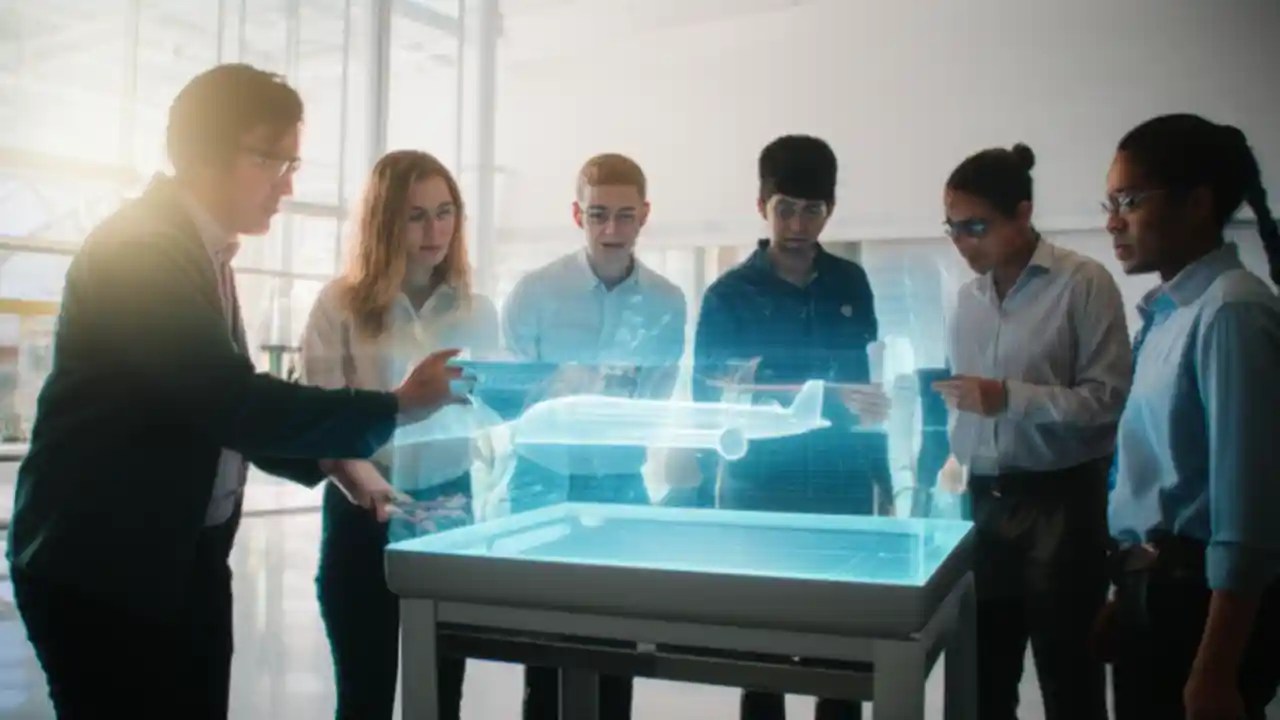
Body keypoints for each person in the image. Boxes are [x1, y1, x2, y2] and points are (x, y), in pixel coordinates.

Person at [4, 64, 464, 719]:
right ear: (202, 154)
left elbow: (214, 412)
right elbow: (228, 400)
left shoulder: (202, 251)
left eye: (291, 163)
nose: (287, 184)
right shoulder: (142, 251)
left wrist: (339, 466)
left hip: (176, 558)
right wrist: (396, 405)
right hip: (107, 564)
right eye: (270, 160)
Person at [691, 134, 891, 720]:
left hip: (841, 486)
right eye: (785, 209)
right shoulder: (729, 294)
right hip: (758, 488)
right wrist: (817, 392)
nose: (798, 225)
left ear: (830, 211)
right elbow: (710, 393)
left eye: (812, 210)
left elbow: (867, 386)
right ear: (762, 205)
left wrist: (884, 481)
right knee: (762, 659)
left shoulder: (850, 283)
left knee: (844, 657)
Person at [934, 143, 1131, 720]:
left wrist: (1008, 398)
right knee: (981, 681)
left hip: (1063, 505)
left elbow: (1108, 402)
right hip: (983, 502)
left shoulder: (1083, 283)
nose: (962, 242)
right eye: (952, 228)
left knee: (1068, 680)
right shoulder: (968, 299)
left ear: (1022, 215)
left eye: (976, 226)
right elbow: (967, 407)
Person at [300, 150, 499, 720]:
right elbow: (321, 418)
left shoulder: (478, 311)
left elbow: (492, 415)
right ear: (384, 222)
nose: (434, 231)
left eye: (444, 212)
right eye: (415, 216)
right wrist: (371, 491)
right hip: (360, 511)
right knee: (363, 695)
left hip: (450, 509)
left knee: (440, 697)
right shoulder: (338, 304)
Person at [1097, 114, 1280, 720]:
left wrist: (1214, 670)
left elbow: (1247, 514)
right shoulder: (1171, 310)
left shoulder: (1231, 312)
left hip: (1196, 608)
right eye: (1109, 203)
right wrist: (1125, 591)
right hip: (1155, 592)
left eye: (1130, 200)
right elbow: (1155, 475)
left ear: (1197, 203)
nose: (1113, 221)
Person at [500, 152, 687, 720]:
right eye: (598, 214)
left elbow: (655, 401)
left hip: (620, 481)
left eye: (625, 216)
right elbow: (511, 398)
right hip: (543, 478)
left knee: (617, 644)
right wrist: (559, 389)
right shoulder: (534, 292)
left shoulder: (668, 303)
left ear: (645, 215)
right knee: (543, 646)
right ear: (577, 214)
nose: (611, 230)